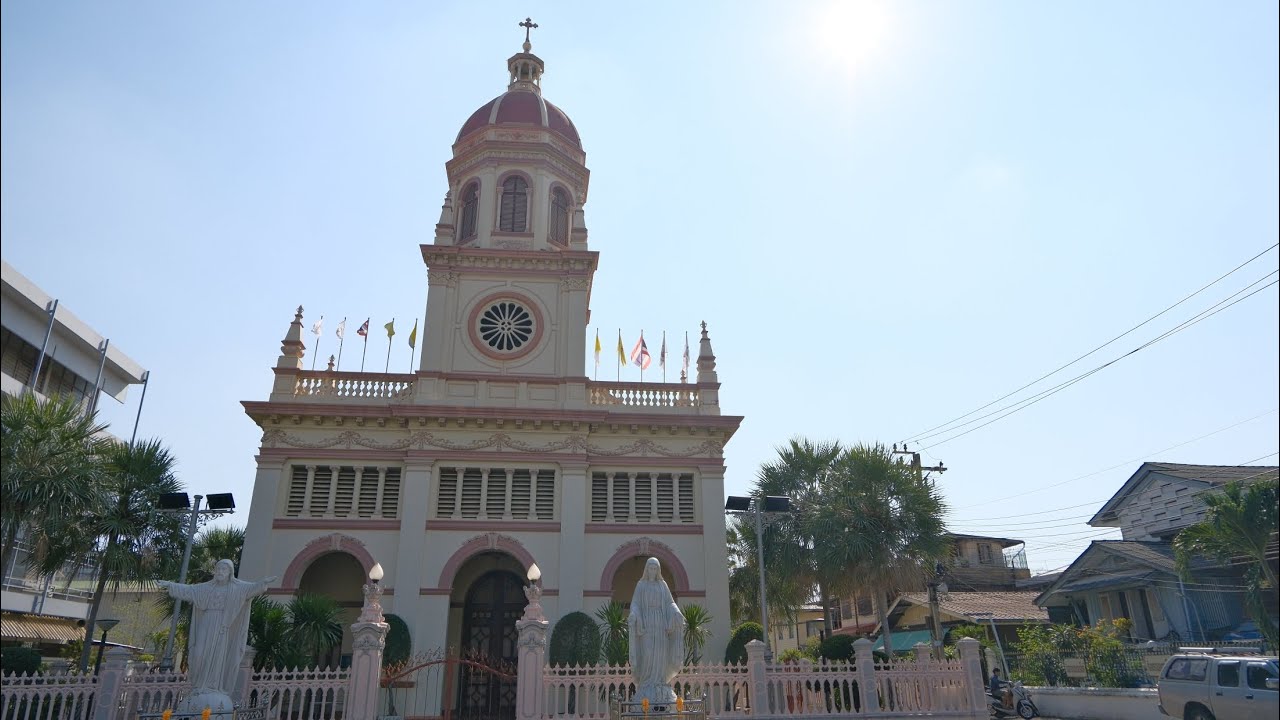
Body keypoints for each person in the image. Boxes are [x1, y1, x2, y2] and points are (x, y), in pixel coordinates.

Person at [158, 560, 276, 695]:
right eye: (218, 569)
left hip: (223, 625)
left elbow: (251, 588)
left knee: (218, 655)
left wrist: (263, 583)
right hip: (207, 621)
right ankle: (198, 685)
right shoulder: (206, 587)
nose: (220, 572)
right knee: (199, 653)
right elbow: (189, 590)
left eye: (224, 569)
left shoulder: (236, 588)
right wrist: (170, 585)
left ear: (230, 572)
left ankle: (212, 686)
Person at [627, 558, 685, 704]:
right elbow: (635, 603)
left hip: (660, 623)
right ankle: (646, 683)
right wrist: (634, 614)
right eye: (650, 568)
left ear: (658, 570)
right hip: (646, 623)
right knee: (647, 652)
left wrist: (676, 612)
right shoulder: (641, 585)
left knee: (660, 652)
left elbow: (670, 602)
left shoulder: (662, 585)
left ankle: (660, 682)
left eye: (655, 568)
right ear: (646, 569)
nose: (652, 571)